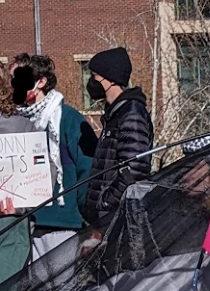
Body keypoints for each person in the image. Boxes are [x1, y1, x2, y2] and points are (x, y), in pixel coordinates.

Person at [12, 53, 97, 264]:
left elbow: (88, 170)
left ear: (41, 81)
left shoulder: (68, 119)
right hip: (23, 225)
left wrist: (89, 219)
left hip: (63, 223)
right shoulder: (13, 121)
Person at [82, 47, 154, 238]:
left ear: (109, 79)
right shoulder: (113, 113)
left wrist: (106, 201)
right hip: (104, 219)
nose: (92, 81)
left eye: (95, 76)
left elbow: (136, 166)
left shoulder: (131, 112)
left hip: (118, 218)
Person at [0, 75, 36, 284]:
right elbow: (43, 172)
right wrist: (22, 205)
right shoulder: (23, 125)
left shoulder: (23, 125)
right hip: (14, 216)